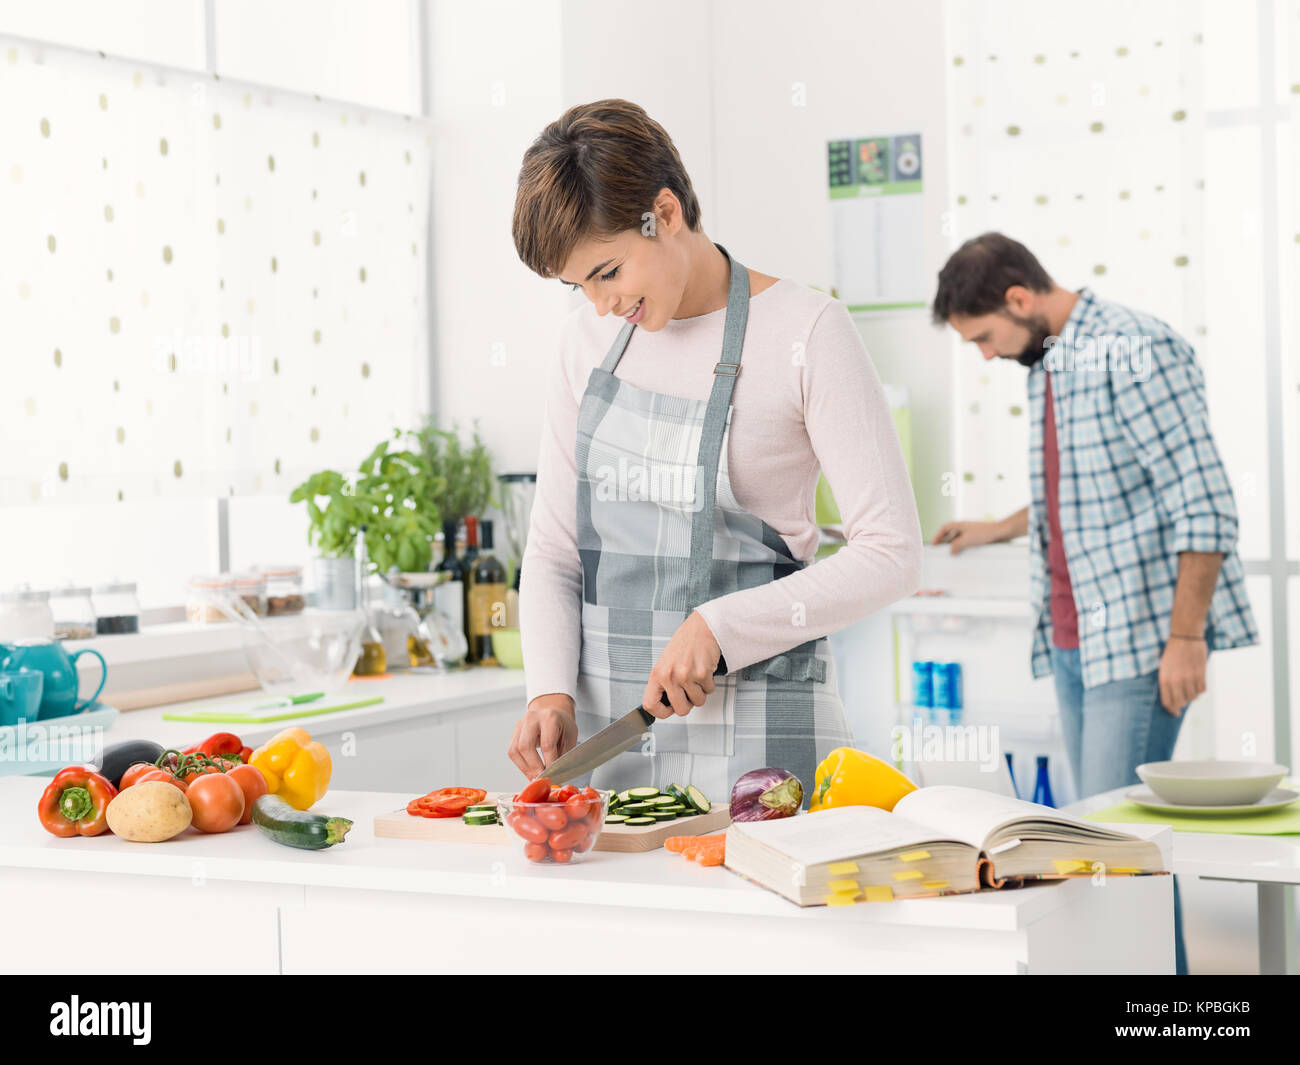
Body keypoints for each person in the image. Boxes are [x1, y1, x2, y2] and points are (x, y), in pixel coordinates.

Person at [505, 99, 922, 803]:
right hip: (615, 742)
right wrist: (549, 689)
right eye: (578, 286)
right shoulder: (584, 344)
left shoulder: (806, 330)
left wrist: (720, 626)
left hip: (766, 745)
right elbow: (553, 549)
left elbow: (892, 552)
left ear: (665, 213)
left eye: (607, 272)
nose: (599, 304)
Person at [930, 232, 1258, 974]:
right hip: (1074, 640)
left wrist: (1186, 637)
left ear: (1020, 299)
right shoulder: (1049, 360)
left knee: (1112, 859)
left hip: (1138, 642)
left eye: (985, 337)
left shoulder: (1135, 349)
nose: (984, 355)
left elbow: (1203, 501)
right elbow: (1085, 488)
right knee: (1114, 855)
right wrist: (1000, 526)